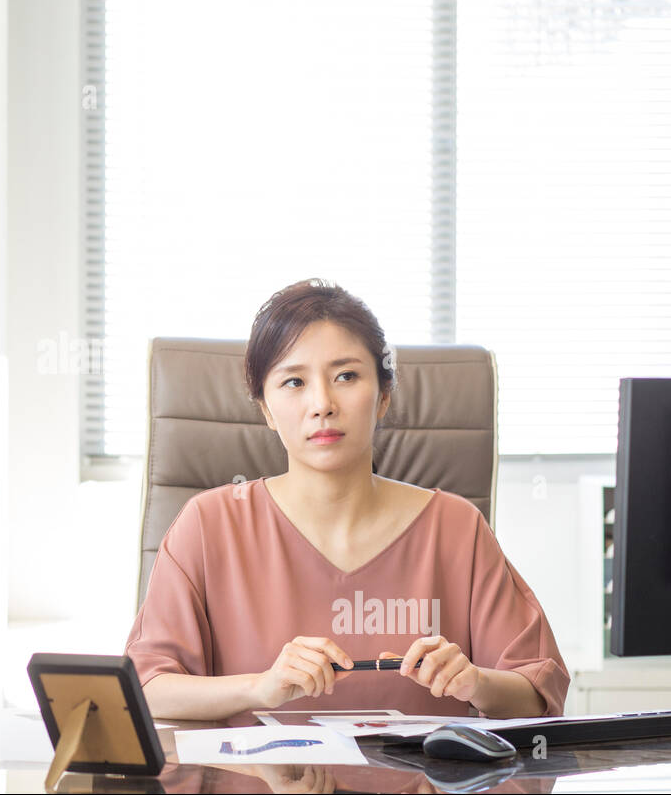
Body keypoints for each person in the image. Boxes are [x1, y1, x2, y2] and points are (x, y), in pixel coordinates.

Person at [125, 278, 569, 721]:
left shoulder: (456, 526)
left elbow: (538, 695)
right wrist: (259, 688)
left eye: (346, 376)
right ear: (265, 410)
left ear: (383, 396)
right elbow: (146, 688)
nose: (322, 403)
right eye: (294, 381)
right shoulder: (208, 524)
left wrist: (477, 681)